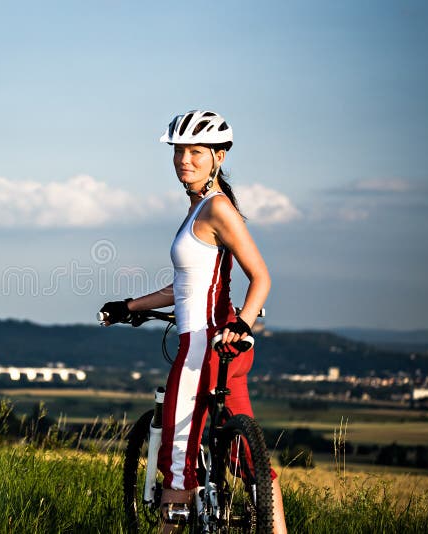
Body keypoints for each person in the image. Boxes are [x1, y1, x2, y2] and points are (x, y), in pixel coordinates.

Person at [100, 110, 287, 533]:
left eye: (196, 151)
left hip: (205, 345)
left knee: (178, 463)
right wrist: (128, 306)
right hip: (223, 346)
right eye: (179, 150)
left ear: (219, 156)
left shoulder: (217, 208)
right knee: (249, 462)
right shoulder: (201, 207)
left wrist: (244, 323)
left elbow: (261, 276)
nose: (184, 159)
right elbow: (183, 286)